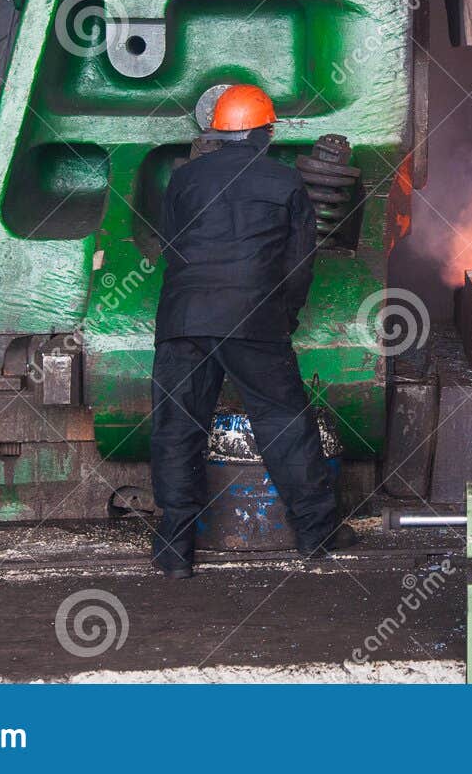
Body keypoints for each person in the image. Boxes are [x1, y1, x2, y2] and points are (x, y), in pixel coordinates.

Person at [149, 84, 356, 577]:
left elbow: (171, 244)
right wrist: (283, 318)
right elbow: (298, 264)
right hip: (252, 319)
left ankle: (176, 549)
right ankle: (316, 534)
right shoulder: (285, 182)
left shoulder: (184, 179)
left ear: (219, 132)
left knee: (177, 428)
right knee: (284, 423)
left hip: (183, 319)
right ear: (265, 132)